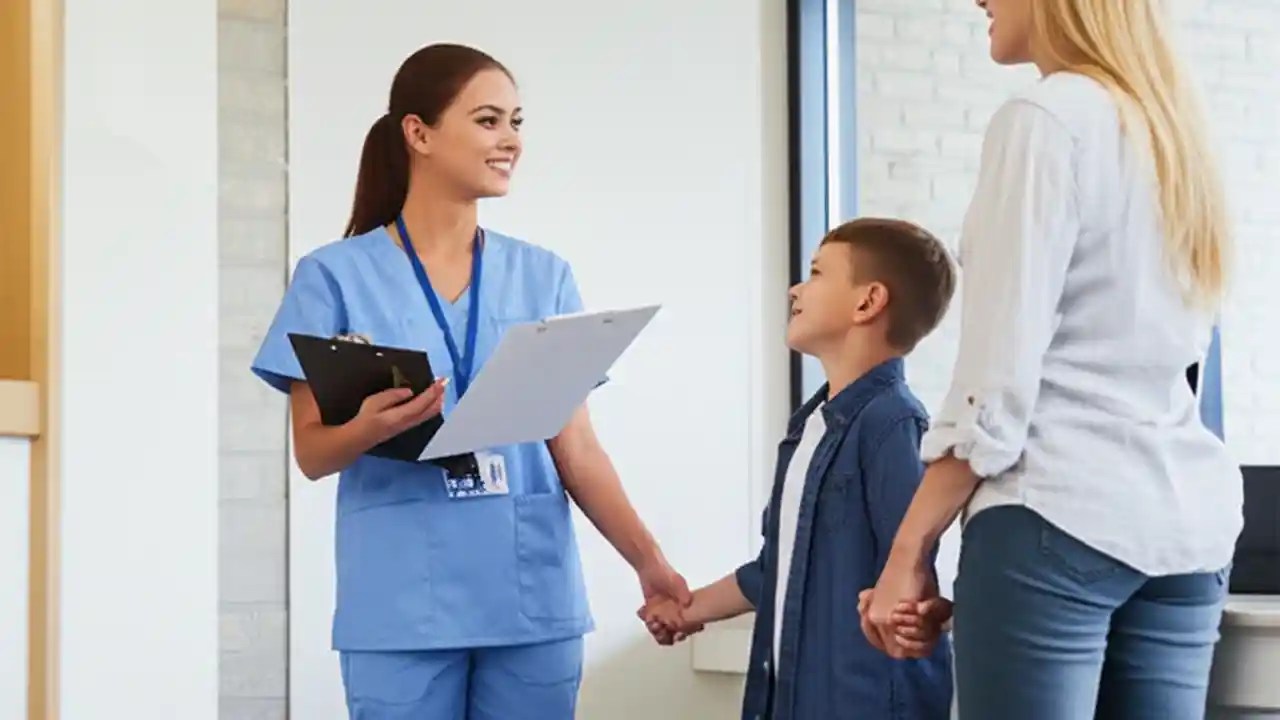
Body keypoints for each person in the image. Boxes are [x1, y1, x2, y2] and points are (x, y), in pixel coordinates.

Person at [249, 43, 691, 719]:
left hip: (530, 600)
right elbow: (312, 453)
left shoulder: (545, 275)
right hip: (400, 610)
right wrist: (374, 427)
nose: (510, 140)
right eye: (489, 120)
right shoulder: (333, 276)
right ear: (418, 133)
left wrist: (649, 562)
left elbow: (577, 452)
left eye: (517, 122)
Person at [860, 1, 1242, 718]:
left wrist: (908, 551)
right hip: (1187, 531)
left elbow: (993, 392)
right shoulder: (1173, 137)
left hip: (1055, 512)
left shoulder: (1045, 120)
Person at [641, 218, 957, 720]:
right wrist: (688, 609)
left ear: (867, 302)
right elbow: (780, 567)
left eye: (815, 273)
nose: (796, 289)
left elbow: (912, 574)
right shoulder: (809, 428)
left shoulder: (892, 422)